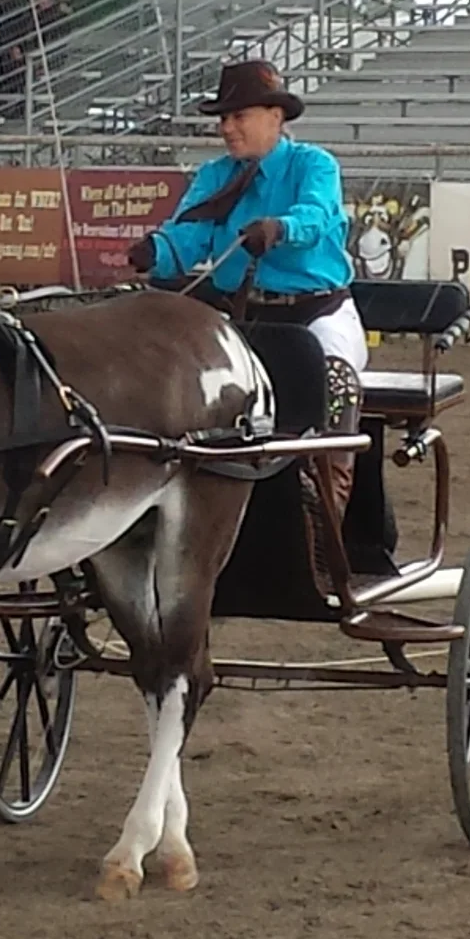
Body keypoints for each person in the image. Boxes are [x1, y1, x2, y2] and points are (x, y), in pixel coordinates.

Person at [123, 61, 400, 618]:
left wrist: (281, 228)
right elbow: (190, 231)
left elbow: (319, 217)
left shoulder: (313, 165)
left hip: (316, 319)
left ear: (276, 117)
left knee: (334, 384)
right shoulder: (214, 178)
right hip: (241, 322)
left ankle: (325, 527)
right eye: (223, 117)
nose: (228, 127)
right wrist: (156, 250)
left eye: (239, 116)